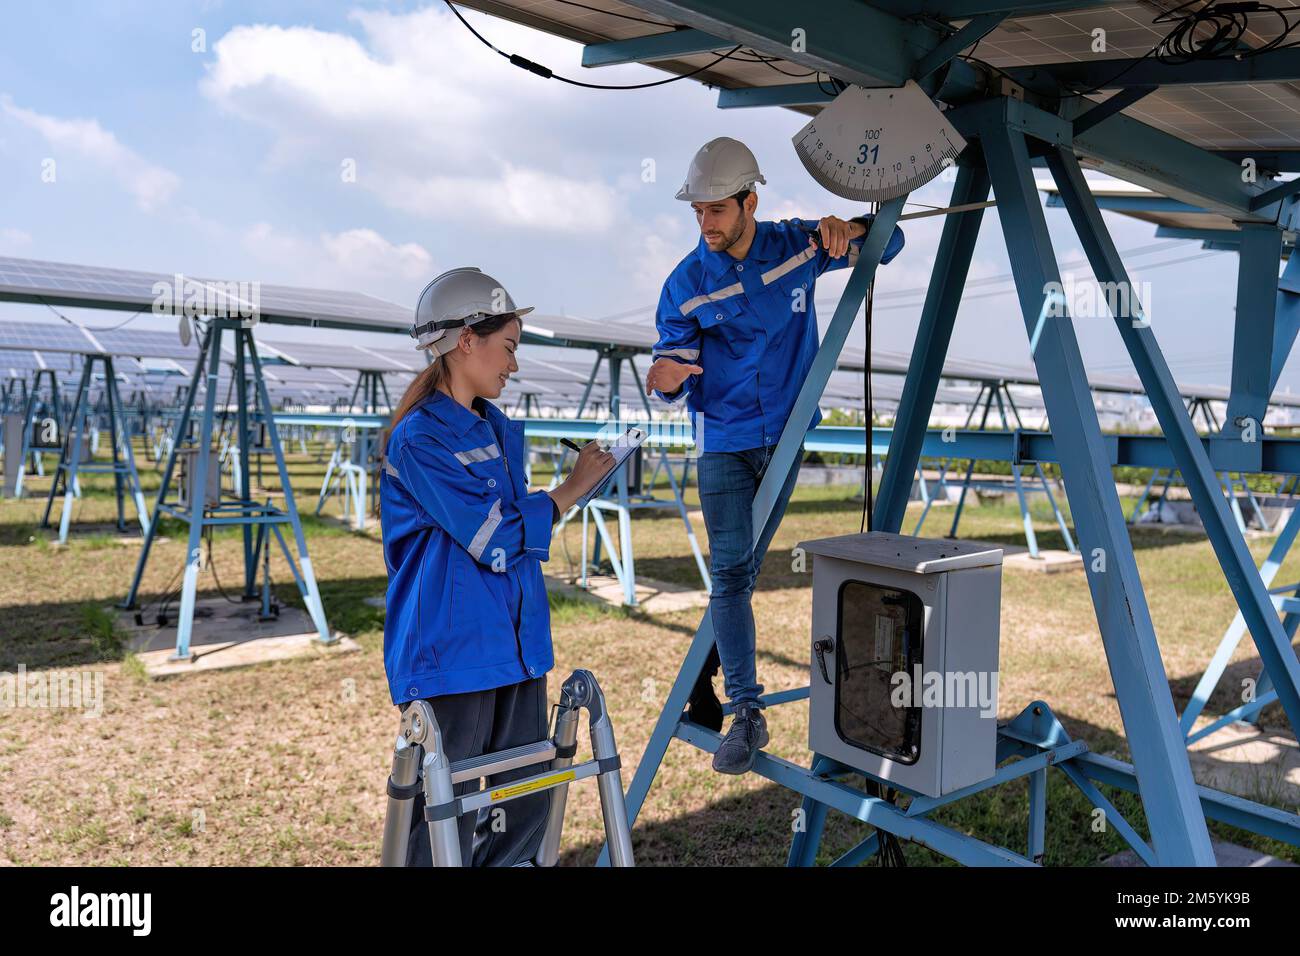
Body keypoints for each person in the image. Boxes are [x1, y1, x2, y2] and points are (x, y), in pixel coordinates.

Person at [644, 137, 905, 775]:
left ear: (750, 202)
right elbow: (664, 363)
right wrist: (667, 375)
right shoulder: (684, 284)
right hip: (724, 442)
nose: (706, 224)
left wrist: (851, 228)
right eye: (698, 213)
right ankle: (747, 712)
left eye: (717, 211)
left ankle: (704, 685)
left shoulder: (797, 246)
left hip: (785, 436)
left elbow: (890, 246)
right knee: (732, 573)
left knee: (744, 570)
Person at [380, 266, 614, 865]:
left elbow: (515, 533)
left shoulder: (502, 430)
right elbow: (496, 540)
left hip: (518, 650)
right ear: (466, 341)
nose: (514, 364)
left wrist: (568, 492)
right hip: (452, 660)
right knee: (443, 822)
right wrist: (571, 489)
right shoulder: (419, 440)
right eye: (508, 347)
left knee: (525, 810)